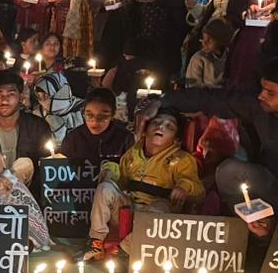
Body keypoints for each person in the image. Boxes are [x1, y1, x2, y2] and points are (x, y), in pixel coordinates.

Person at [162, 53, 278, 231]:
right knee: (228, 172)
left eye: (270, 93)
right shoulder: (261, 103)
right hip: (272, 183)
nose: (261, 95)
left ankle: (271, 235)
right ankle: (250, 232)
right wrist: (163, 101)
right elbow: (216, 99)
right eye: (262, 89)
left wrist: (275, 220)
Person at [85, 107, 203, 260]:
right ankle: (96, 242)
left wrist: (183, 187)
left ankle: (125, 250)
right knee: (105, 188)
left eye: (169, 126)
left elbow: (198, 189)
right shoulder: (133, 154)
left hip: (156, 215)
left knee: (160, 208)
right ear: (146, 130)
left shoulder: (182, 160)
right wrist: (109, 171)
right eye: (157, 122)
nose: (161, 127)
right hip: (128, 209)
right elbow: (121, 178)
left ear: (176, 139)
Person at [0, 70, 53, 186]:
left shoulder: (37, 127)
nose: (4, 100)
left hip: (27, 195)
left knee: (24, 164)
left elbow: (47, 169)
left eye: (10, 94)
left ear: (20, 96)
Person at [60, 87, 133, 169]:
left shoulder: (125, 139)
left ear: (113, 115)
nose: (95, 121)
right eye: (89, 115)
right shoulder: (73, 139)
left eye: (102, 116)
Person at [185, 17, 234, 88]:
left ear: (220, 41)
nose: (204, 42)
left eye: (210, 39)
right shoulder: (198, 59)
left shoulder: (231, 57)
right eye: (203, 38)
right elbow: (192, 87)